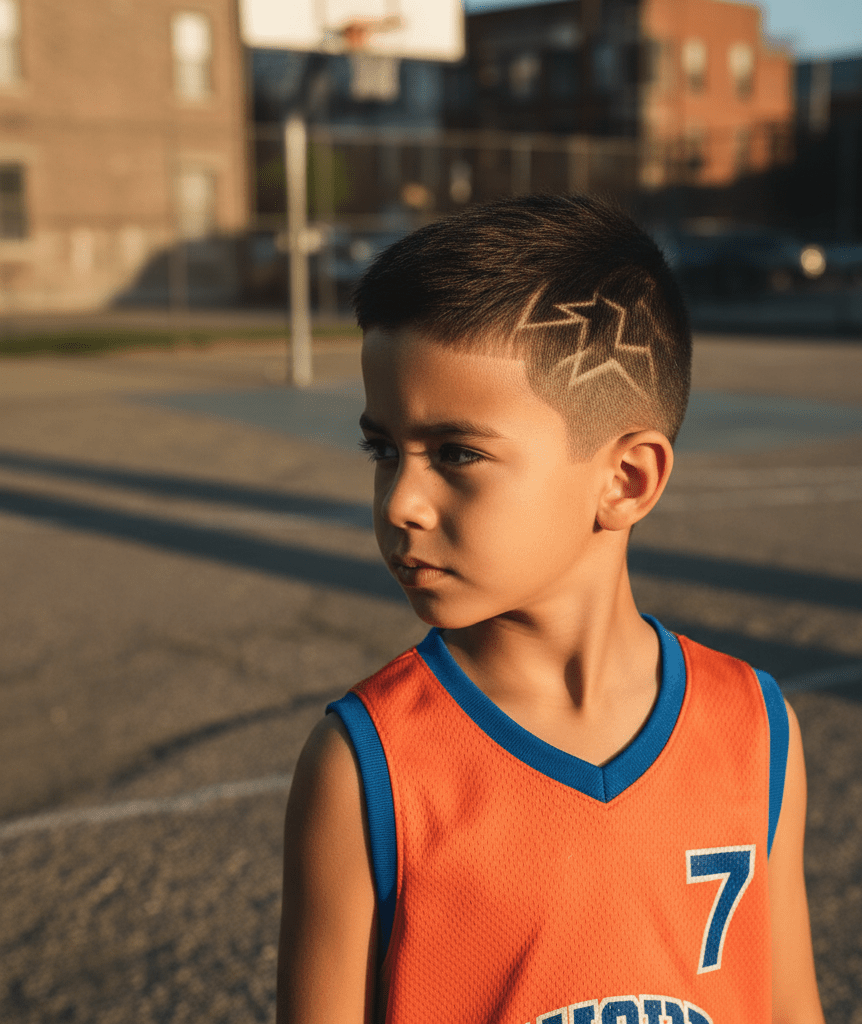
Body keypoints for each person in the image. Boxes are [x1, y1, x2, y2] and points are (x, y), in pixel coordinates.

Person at [276, 194, 825, 1024]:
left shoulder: (755, 728)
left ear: (626, 480)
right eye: (383, 450)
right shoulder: (368, 766)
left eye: (456, 453)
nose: (400, 502)